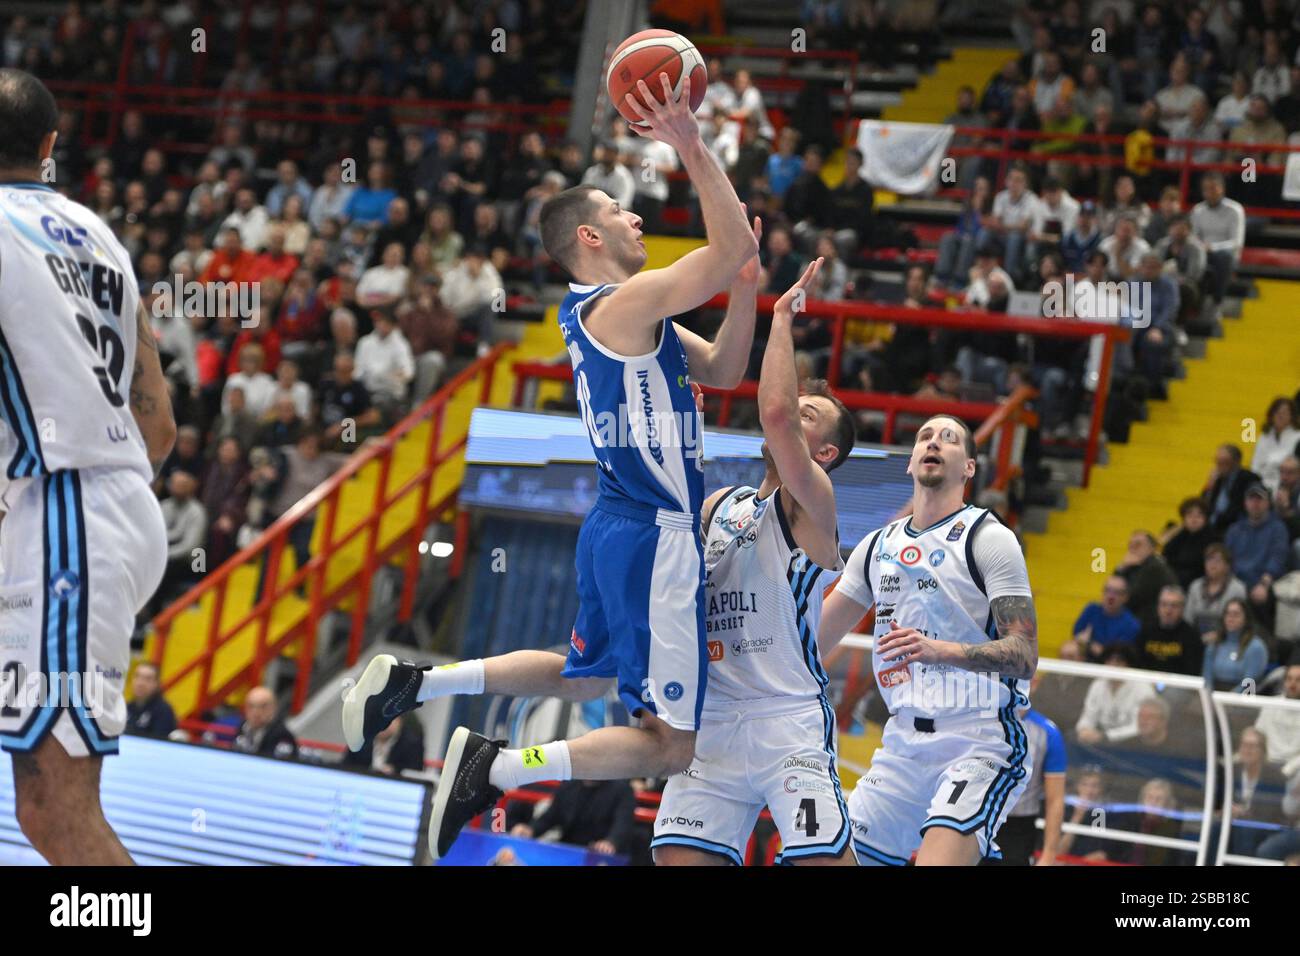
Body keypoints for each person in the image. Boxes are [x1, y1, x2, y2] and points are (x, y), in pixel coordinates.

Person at [343, 74, 763, 861]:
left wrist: (741, 291)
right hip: (656, 539)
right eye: (618, 210)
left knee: (579, 677)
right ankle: (501, 766)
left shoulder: (612, 317)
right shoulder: (622, 306)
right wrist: (689, 142)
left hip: (616, 524)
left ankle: (415, 682)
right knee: (673, 746)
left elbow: (729, 370)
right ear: (590, 240)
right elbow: (731, 241)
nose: (635, 214)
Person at [0, 68, 176, 865]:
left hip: (64, 519)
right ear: (47, 147)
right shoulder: (101, 237)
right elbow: (161, 427)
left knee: (55, 809)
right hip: (107, 507)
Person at [654, 260, 856, 866]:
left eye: (809, 412)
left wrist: (779, 316)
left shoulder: (815, 505)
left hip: (785, 720)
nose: (794, 411)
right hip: (712, 715)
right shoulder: (724, 503)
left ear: (822, 452)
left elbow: (773, 413)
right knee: (675, 859)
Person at [819, 415, 1039, 865]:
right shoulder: (876, 546)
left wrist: (941, 651)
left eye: (949, 438)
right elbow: (810, 642)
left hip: (980, 740)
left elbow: (1024, 654)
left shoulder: (989, 537)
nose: (933, 442)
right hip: (902, 742)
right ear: (910, 462)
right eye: (924, 437)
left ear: (969, 468)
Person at [991, 675, 1066, 866]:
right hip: (976, 817)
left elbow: (1055, 799)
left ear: (1034, 683)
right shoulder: (980, 721)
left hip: (1019, 829)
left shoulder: (1048, 733)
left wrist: (1049, 855)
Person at [510, 778, 637, 857]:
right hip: (569, 851)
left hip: (601, 854)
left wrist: (611, 842)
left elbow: (623, 823)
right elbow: (551, 816)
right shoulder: (569, 785)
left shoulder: (622, 789)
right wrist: (530, 829)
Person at [1135, 586, 1204, 676]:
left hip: (1178, 685)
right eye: (1164, 604)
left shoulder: (1192, 636)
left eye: (1174, 606)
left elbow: (1192, 671)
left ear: (1182, 609)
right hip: (1147, 682)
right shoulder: (1146, 630)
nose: (1168, 610)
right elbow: (1137, 664)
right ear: (1158, 607)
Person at [1072, 575, 1141, 661]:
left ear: (1125, 597)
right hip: (1087, 655)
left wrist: (1089, 643)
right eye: (1107, 590)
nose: (1110, 596)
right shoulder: (1091, 609)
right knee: (1069, 650)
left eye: (1116, 592)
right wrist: (1092, 646)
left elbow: (1115, 655)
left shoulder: (1131, 624)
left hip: (1112, 664)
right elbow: (1077, 635)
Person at [232, 686, 298, 759]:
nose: (256, 712)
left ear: (274, 708)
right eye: (251, 706)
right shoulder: (243, 727)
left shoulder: (282, 735)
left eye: (263, 706)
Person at [124, 661, 177, 740]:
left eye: (147, 679)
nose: (140, 683)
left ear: (156, 684)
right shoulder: (126, 707)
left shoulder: (163, 711)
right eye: (137, 676)